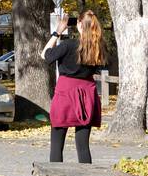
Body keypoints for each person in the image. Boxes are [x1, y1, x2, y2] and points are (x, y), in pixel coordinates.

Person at [43, 10, 104, 164]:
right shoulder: (97, 49)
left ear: (79, 25)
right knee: (83, 146)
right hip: (87, 95)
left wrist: (57, 32)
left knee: (57, 145)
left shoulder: (69, 45)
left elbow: (45, 55)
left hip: (66, 94)